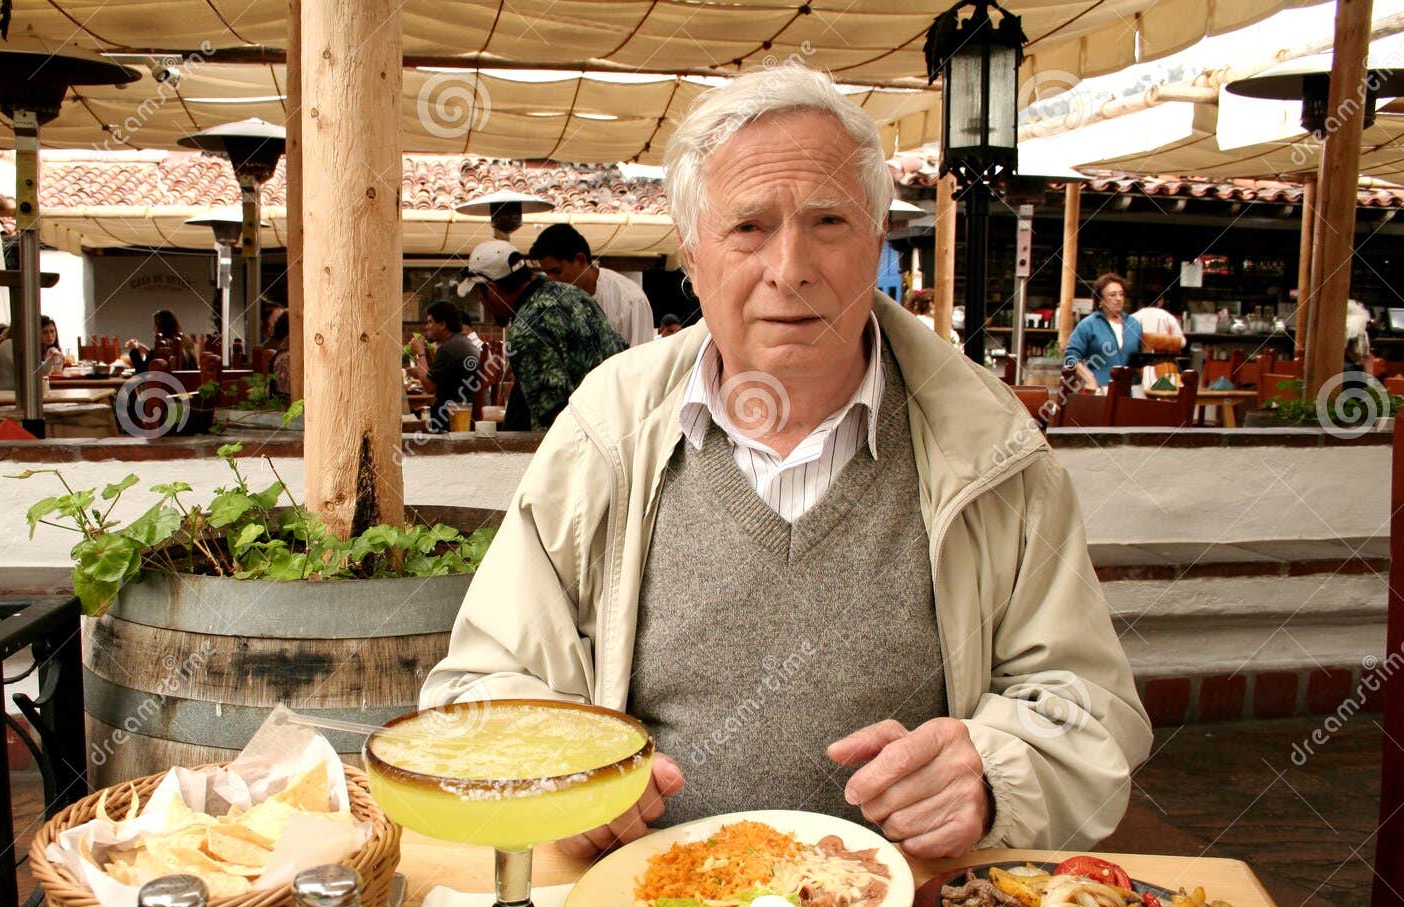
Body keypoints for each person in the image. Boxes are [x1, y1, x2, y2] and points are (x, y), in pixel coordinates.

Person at [423, 63, 1150, 860]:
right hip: (640, 906)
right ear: (692, 255)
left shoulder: (990, 444)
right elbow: (478, 685)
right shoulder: (606, 431)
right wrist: (556, 768)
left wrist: (993, 774)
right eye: (749, 227)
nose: (791, 267)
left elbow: (1091, 710)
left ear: (876, 239)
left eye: (829, 221)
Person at [455, 239, 626, 432]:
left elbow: (554, 418)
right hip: (618, 424)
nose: (483, 304)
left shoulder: (525, 329)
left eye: (479, 295)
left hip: (584, 440)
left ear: (493, 290)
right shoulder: (574, 293)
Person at [528, 223, 656, 347]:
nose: (551, 281)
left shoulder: (630, 300)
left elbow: (640, 356)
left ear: (581, 260)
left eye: (557, 271)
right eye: (547, 273)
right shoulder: (552, 300)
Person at [407, 301, 481, 432]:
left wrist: (420, 353)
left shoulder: (449, 349)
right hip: (460, 415)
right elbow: (436, 376)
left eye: (430, 322)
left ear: (442, 325)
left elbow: (429, 386)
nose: (426, 327)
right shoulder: (460, 342)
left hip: (447, 420)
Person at [1064, 273, 1142, 393]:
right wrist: (1089, 379)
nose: (1118, 298)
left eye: (1121, 294)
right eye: (1113, 295)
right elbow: (1071, 357)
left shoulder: (1134, 324)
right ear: (1100, 300)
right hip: (1099, 390)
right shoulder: (1088, 324)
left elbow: (1142, 358)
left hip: (1130, 391)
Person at [0, 315, 63, 394]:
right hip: (10, 395)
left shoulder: (15, 344)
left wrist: (52, 358)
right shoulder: (10, 345)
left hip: (17, 393)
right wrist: (51, 359)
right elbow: (35, 375)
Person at [127, 309, 198, 372]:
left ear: (161, 328)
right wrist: (148, 352)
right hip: (187, 382)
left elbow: (142, 372)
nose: (153, 329)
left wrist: (134, 350)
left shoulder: (163, 347)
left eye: (155, 325)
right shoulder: (184, 341)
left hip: (165, 383)